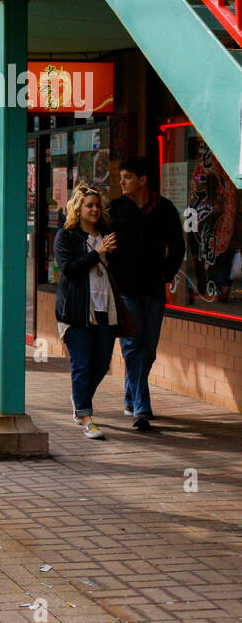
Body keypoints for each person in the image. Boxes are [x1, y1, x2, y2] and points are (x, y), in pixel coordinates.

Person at [107, 158, 186, 432]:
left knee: (149, 348)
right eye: (121, 177)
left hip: (153, 291)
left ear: (142, 180)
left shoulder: (164, 209)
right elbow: (106, 246)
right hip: (126, 291)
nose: (121, 182)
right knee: (132, 346)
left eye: (127, 177)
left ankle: (130, 396)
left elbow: (177, 246)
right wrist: (114, 277)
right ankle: (141, 409)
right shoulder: (115, 209)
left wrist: (166, 273)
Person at [55, 186, 136, 440]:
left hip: (106, 310)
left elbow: (120, 269)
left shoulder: (107, 235)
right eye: (89, 205)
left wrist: (113, 253)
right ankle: (86, 417)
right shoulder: (66, 237)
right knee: (82, 364)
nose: (95, 209)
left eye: (97, 205)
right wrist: (98, 252)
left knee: (101, 364)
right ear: (78, 209)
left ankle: (80, 398)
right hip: (77, 312)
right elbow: (68, 269)